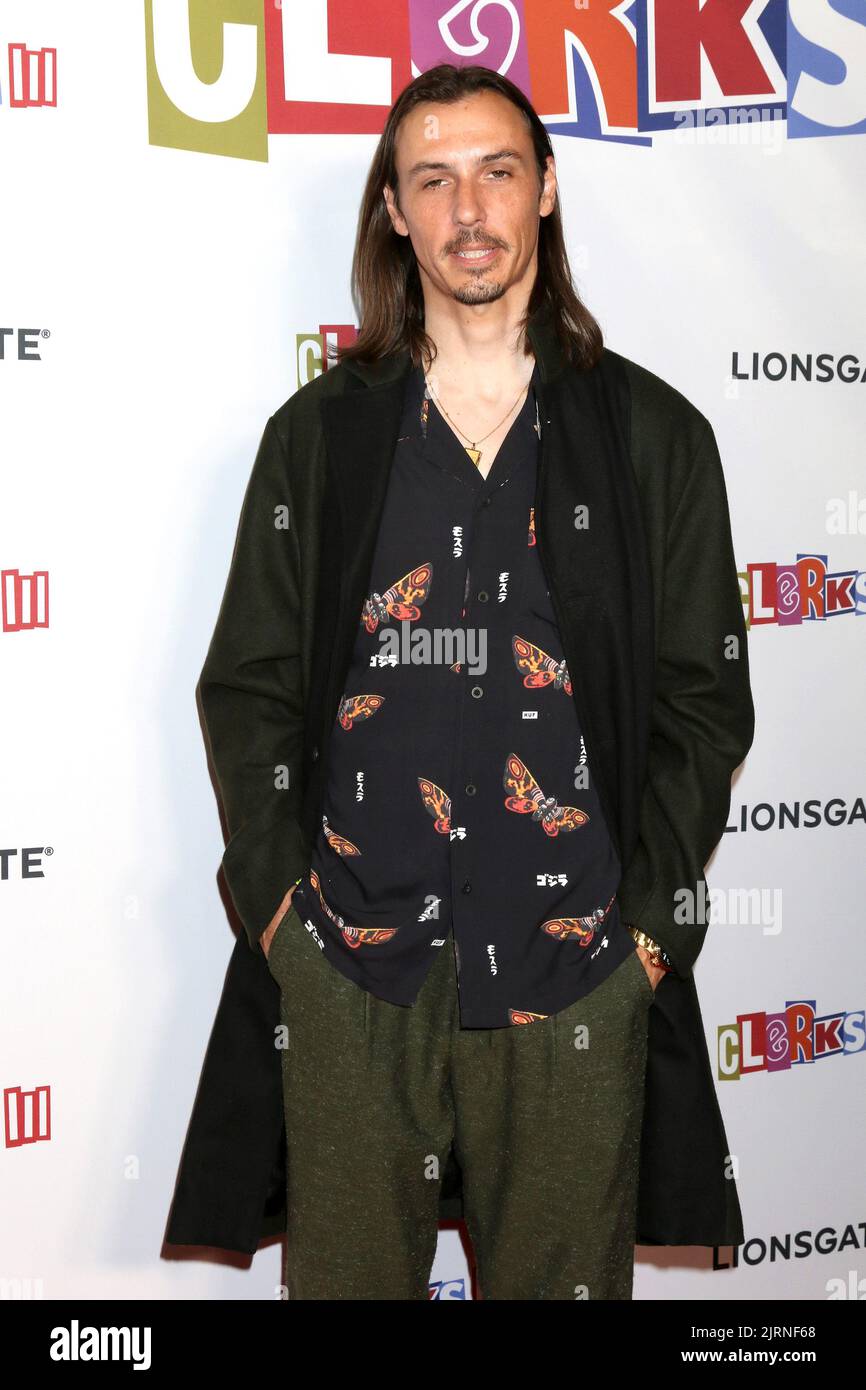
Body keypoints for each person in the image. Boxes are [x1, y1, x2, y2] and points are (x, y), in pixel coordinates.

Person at [171, 63, 754, 1300]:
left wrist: (643, 938)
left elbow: (705, 705)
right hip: (351, 964)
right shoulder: (317, 438)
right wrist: (285, 914)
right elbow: (250, 685)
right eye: (431, 180)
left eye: (496, 171)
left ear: (545, 189)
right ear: (393, 210)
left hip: (573, 970)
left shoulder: (654, 439)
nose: (468, 208)